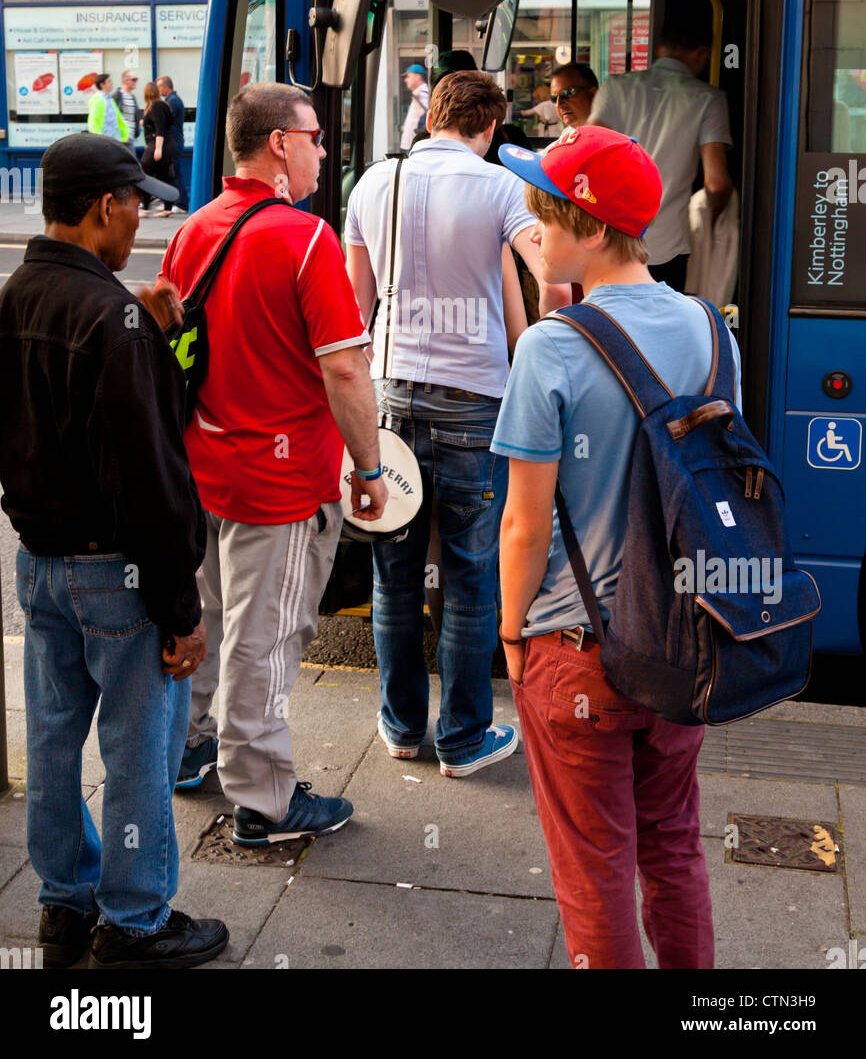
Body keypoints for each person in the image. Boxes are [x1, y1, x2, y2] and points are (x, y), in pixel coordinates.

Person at [492, 123, 741, 970]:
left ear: (593, 230)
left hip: (578, 644)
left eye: (547, 217)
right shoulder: (714, 331)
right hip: (686, 640)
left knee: (594, 866)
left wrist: (511, 633)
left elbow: (524, 523)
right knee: (673, 844)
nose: (535, 234)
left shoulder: (550, 349)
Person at [0, 133, 228, 970]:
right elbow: (151, 476)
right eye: (137, 204)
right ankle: (134, 921)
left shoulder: (17, 294)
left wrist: (147, 330)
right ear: (105, 209)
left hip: (40, 562)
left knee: (55, 738)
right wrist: (181, 612)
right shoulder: (115, 319)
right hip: (118, 574)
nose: (142, 219)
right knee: (140, 749)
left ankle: (64, 901)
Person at [157, 82, 387, 846]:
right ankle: (266, 803)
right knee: (265, 640)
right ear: (280, 145)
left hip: (203, 470)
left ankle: (187, 752)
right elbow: (346, 370)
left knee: (209, 622)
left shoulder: (197, 229)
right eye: (316, 136)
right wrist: (371, 466)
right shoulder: (306, 238)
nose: (323, 150)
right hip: (280, 487)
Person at [345, 70, 570, 777]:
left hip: (389, 401)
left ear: (433, 115)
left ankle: (401, 727)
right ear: (491, 127)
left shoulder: (373, 183)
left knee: (395, 571)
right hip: (474, 404)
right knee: (473, 578)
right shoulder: (501, 187)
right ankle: (464, 739)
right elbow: (555, 280)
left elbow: (355, 314)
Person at [589, 27, 733, 291]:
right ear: (702, 55)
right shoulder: (709, 99)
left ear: (659, 51)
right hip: (669, 246)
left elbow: (589, 154)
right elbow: (716, 184)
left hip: (610, 239)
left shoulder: (615, 88)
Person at [139, 81, 178, 217]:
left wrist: (157, 149)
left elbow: (160, 128)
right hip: (163, 145)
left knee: (144, 173)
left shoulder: (156, 106)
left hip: (161, 146)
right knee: (164, 176)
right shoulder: (161, 105)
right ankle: (167, 209)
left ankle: (145, 207)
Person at [157, 75, 189, 211]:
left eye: (159, 87)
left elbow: (166, 123)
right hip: (174, 141)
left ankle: (181, 203)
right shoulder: (172, 100)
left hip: (173, 141)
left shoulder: (173, 101)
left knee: (175, 172)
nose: (158, 90)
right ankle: (174, 201)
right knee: (171, 172)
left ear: (165, 87)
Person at [549, 63, 599, 134]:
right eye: (554, 98)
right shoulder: (567, 134)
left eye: (567, 93)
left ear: (593, 94)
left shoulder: (612, 135)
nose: (559, 104)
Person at [86, 73, 129, 143]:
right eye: (109, 81)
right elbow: (93, 122)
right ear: (102, 85)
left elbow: (118, 119)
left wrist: (124, 136)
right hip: (104, 143)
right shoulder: (98, 100)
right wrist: (99, 140)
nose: (112, 83)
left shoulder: (110, 99)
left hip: (115, 141)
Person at [400, 64, 429, 150]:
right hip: (413, 144)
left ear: (417, 76)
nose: (405, 80)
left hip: (415, 145)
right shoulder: (418, 92)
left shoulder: (422, 92)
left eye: (408, 76)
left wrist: (415, 99)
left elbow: (425, 114)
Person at [111, 69, 141, 151]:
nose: (135, 82)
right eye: (133, 79)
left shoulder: (132, 97)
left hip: (130, 137)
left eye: (136, 80)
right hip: (121, 138)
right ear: (125, 80)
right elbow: (112, 117)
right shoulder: (117, 96)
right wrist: (121, 135)